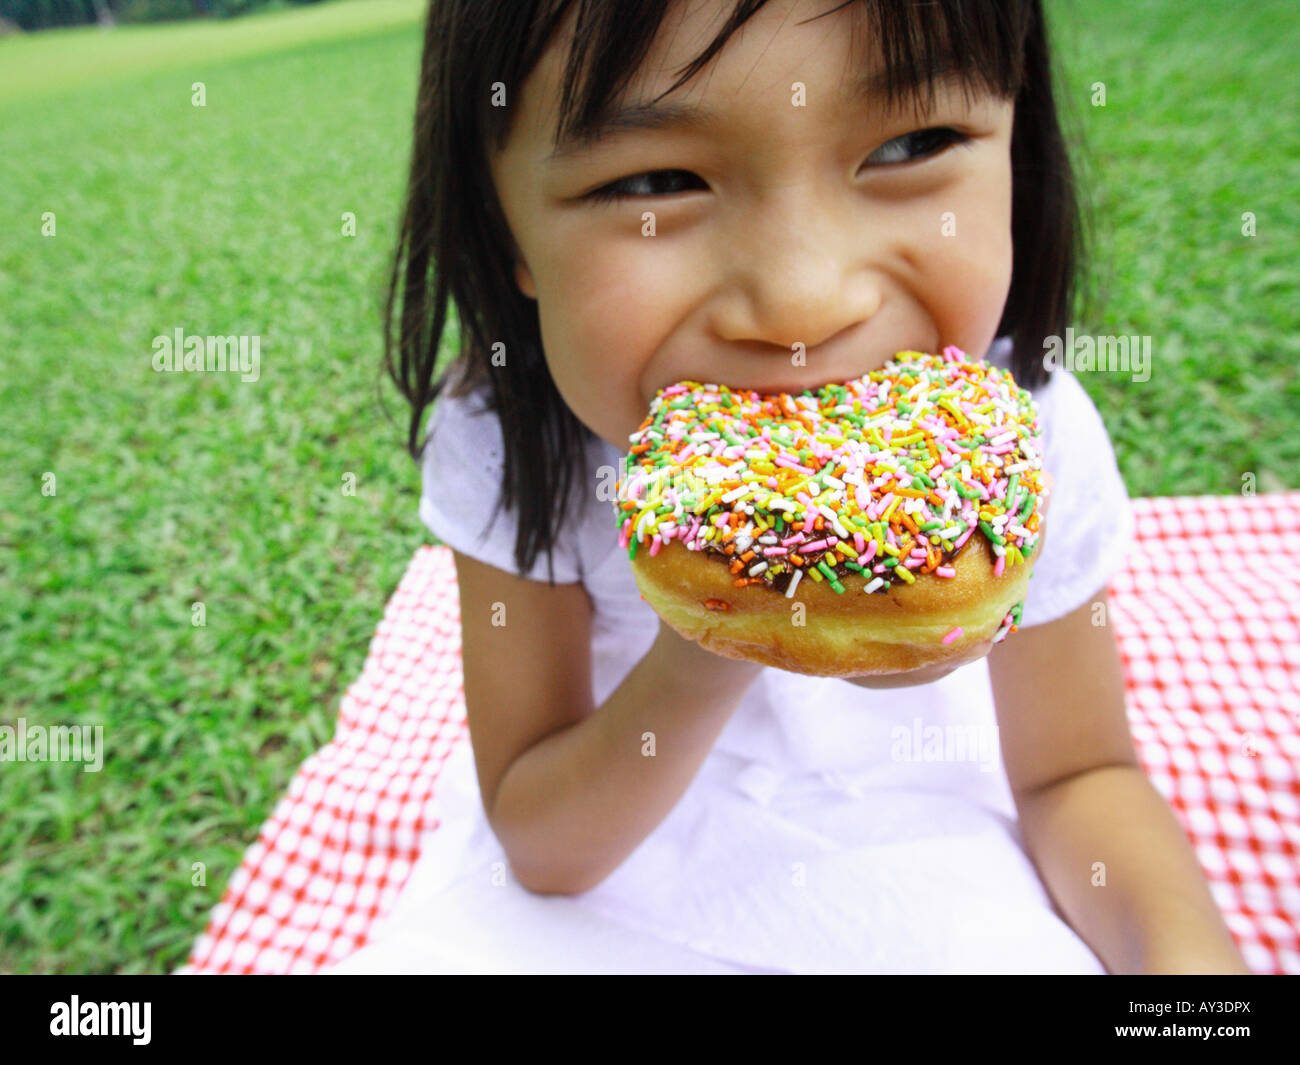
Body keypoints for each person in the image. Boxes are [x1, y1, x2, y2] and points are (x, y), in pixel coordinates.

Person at [326, 0, 1249, 974]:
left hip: (920, 839)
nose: (803, 301)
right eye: (654, 182)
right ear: (504, 225)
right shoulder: (510, 449)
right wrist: (725, 621)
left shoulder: (1020, 431)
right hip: (619, 841)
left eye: (911, 145)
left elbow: (1078, 773)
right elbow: (544, 848)